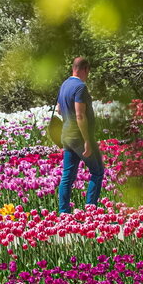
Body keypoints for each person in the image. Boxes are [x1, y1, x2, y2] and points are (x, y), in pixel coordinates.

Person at [56, 56, 105, 213]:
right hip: (79, 137)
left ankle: (64, 213)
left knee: (67, 177)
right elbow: (80, 115)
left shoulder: (65, 84)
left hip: (67, 135)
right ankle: (90, 211)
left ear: (73, 68)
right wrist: (87, 141)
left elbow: (58, 109)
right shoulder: (80, 87)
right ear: (85, 69)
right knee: (97, 172)